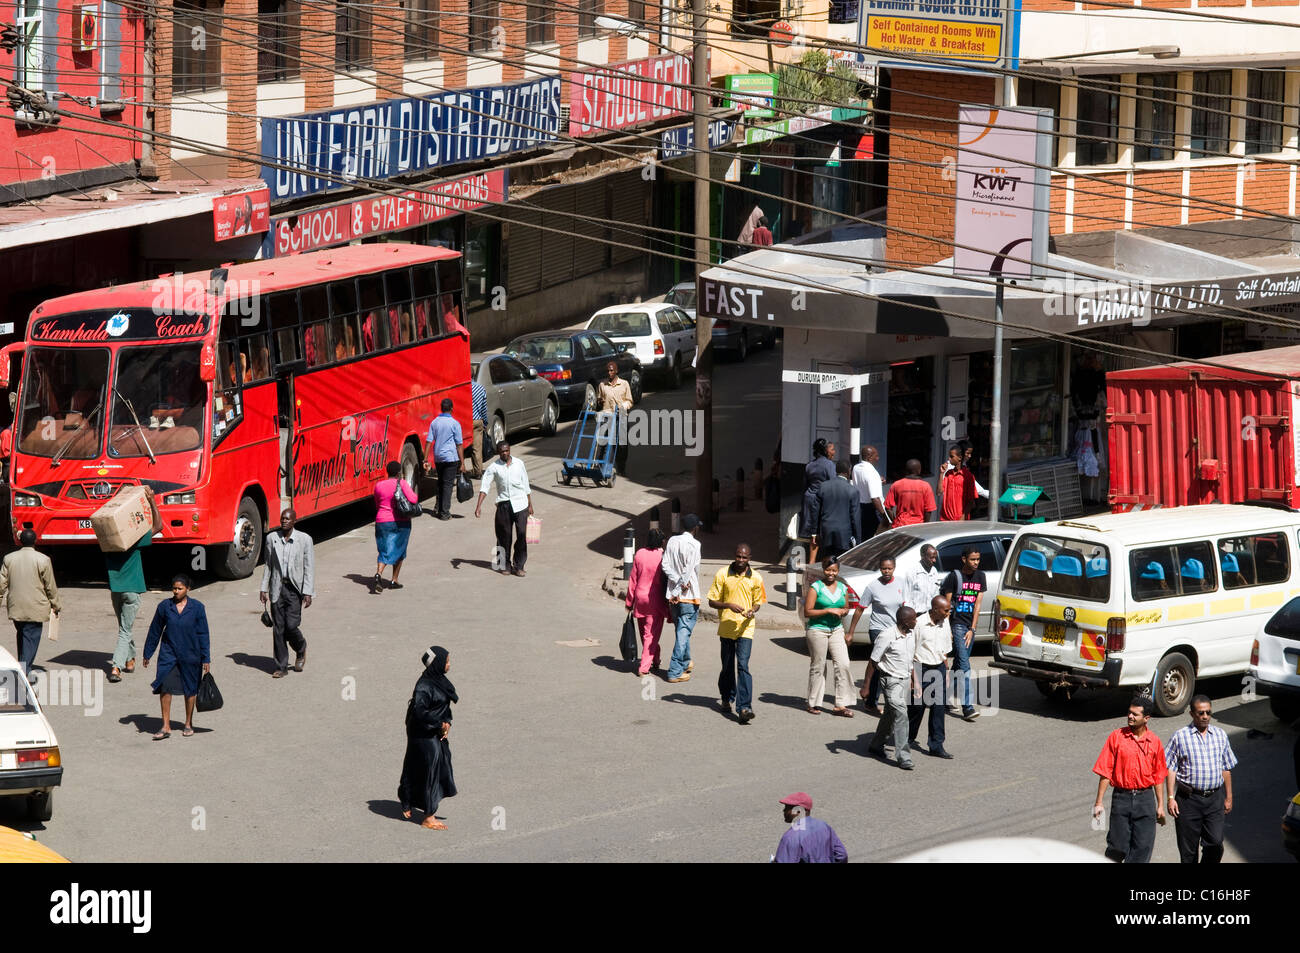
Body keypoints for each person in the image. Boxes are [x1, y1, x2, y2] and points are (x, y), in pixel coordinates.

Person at [1092, 696, 1168, 863]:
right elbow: (1105, 771)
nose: (1130, 716)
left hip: (1145, 800)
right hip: (1121, 798)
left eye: (1135, 714)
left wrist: (1161, 805)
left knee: (1142, 849)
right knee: (1117, 848)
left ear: (1146, 718)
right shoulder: (1116, 737)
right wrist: (1098, 803)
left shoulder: (1154, 742)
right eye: (1129, 712)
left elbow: (1158, 776)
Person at [1164, 695, 1237, 864]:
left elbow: (1226, 767)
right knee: (1188, 852)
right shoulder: (1180, 737)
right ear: (1192, 714)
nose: (1205, 716)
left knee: (1215, 844)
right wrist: (1170, 798)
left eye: (1208, 713)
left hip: (1214, 800)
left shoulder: (1220, 735)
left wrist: (1229, 797)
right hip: (1188, 800)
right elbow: (1170, 768)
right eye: (1200, 713)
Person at [142, 574, 211, 740]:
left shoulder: (197, 608)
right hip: (169, 654)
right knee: (165, 687)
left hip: (191, 654)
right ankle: (166, 726)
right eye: (174, 588)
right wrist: (148, 653)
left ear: (188, 589)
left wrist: (206, 657)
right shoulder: (164, 607)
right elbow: (155, 630)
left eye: (180, 588)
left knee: (190, 688)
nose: (176, 591)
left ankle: (188, 723)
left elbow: (203, 633)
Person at [105, 488, 163, 683]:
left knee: (123, 627)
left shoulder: (108, 543)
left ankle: (130, 660)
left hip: (116, 590)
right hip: (132, 590)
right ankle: (116, 667)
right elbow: (159, 526)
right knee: (125, 630)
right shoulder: (133, 540)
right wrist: (152, 501)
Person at [398, 646, 458, 830]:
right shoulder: (424, 686)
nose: (449, 664)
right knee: (431, 770)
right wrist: (438, 724)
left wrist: (446, 722)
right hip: (421, 732)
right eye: (446, 661)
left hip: (433, 731)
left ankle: (407, 798)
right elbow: (419, 711)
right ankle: (428, 817)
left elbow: (444, 708)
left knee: (426, 765)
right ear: (437, 663)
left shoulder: (439, 681)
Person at [707, 544, 766, 724]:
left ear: (750, 558)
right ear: (735, 556)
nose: (741, 560)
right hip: (726, 626)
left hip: (746, 628)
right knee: (727, 666)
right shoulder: (722, 574)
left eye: (745, 557)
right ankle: (726, 697)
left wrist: (752, 610)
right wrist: (728, 605)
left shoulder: (756, 577)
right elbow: (711, 601)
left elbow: (758, 602)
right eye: (739, 557)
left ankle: (744, 707)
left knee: (743, 665)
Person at [863, 606, 920, 771]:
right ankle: (904, 757)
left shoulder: (910, 635)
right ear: (905, 621)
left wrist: (914, 681)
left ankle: (876, 744)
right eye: (914, 619)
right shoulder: (887, 635)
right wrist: (866, 687)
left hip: (904, 680)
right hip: (890, 681)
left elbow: (910, 660)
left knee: (889, 714)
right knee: (901, 715)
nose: (916, 621)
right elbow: (873, 661)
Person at [259, 508, 314, 679]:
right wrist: (263, 588)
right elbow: (268, 565)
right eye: (282, 518)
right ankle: (281, 666)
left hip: (294, 589)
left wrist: (308, 591)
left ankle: (300, 647)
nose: (284, 521)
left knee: (291, 626)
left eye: (288, 519)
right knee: (278, 629)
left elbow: (308, 566)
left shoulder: (304, 540)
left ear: (294, 521)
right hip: (277, 588)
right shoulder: (272, 539)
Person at [0, 530, 60, 678]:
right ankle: (23, 673)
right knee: (31, 638)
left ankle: (21, 667)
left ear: (20, 541)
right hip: (36, 607)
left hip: (16, 606)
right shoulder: (43, 559)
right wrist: (55, 604)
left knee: (22, 635)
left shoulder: (9, 558)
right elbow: (50, 585)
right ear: (35, 541)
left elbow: (2, 584)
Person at [849, 556, 905, 714]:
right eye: (883, 568)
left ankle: (875, 699)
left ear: (894, 568)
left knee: (889, 665)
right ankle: (868, 691)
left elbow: (905, 606)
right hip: (878, 629)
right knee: (879, 661)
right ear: (880, 568)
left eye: (889, 568)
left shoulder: (901, 583)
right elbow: (860, 608)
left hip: (896, 629)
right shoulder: (873, 586)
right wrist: (851, 632)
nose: (886, 571)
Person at [940, 545, 987, 721]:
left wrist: (973, 629)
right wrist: (947, 629)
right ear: (964, 559)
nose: (976, 562)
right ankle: (968, 707)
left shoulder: (981, 576)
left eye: (978, 559)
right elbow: (946, 605)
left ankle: (943, 697)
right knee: (965, 665)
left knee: (959, 663)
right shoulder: (955, 577)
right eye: (973, 559)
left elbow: (978, 605)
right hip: (957, 625)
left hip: (969, 628)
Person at [475, 441, 534, 577]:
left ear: (510, 450)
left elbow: (526, 485)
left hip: (521, 504)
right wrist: (479, 506)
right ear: (498, 452)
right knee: (503, 536)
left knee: (521, 535)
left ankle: (519, 566)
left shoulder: (519, 464)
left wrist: (530, 504)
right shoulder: (493, 467)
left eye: (507, 451)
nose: (505, 453)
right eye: (502, 451)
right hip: (504, 505)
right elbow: (485, 487)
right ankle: (504, 565)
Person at [803, 557, 854, 717]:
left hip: (836, 629)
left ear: (838, 571)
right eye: (827, 570)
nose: (830, 573)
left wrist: (843, 611)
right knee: (818, 666)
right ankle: (813, 702)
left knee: (843, 664)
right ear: (823, 570)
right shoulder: (816, 587)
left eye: (834, 570)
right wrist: (828, 611)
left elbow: (846, 606)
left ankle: (841, 704)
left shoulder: (842, 587)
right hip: (817, 629)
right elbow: (807, 612)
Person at [908, 596, 954, 759]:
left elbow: (945, 647)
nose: (949, 613)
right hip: (920, 667)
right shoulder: (918, 624)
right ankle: (907, 737)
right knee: (917, 707)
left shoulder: (945, 621)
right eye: (946, 610)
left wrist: (947, 670)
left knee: (938, 708)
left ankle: (936, 745)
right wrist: (914, 679)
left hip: (939, 667)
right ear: (935, 610)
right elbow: (910, 652)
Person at [663, 514, 702, 683]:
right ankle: (675, 670)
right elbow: (690, 568)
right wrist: (681, 585)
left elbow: (665, 565)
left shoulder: (672, 541)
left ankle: (686, 661)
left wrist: (675, 584)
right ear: (695, 528)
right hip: (688, 595)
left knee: (681, 631)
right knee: (683, 633)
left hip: (672, 595)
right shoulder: (695, 544)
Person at [626, 529, 670, 677]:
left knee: (646, 634)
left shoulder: (639, 554)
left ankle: (655, 658)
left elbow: (633, 579)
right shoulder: (663, 555)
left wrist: (629, 602)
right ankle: (644, 667)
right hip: (655, 600)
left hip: (640, 598)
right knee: (650, 634)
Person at [373, 461, 419, 593]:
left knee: (384, 549)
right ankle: (394, 580)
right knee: (399, 549)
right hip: (401, 521)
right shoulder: (402, 483)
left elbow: (377, 502)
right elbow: (413, 499)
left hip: (382, 520)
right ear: (399, 472)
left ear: (387, 472)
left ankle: (378, 573)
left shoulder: (379, 485)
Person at [772, 792, 847, 863]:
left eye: (787, 808)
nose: (783, 810)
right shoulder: (824, 826)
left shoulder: (790, 837)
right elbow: (842, 855)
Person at [809, 460, 860, 562]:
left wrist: (814, 532)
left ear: (836, 471)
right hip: (844, 534)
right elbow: (855, 517)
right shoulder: (852, 490)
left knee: (826, 561)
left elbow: (815, 511)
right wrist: (858, 540)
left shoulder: (823, 486)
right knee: (841, 562)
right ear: (848, 472)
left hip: (826, 531)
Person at [424, 397, 463, 520]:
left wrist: (425, 459)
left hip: (438, 457)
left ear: (441, 409)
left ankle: (437, 508)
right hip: (451, 458)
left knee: (440, 482)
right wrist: (462, 462)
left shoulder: (434, 422)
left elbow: (429, 441)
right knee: (447, 485)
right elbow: (459, 444)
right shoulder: (455, 424)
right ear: (452, 409)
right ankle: (445, 513)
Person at [597, 361, 634, 477]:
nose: (609, 372)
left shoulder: (624, 384)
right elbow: (600, 399)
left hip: (621, 417)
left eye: (612, 370)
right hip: (607, 417)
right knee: (603, 442)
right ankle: (600, 466)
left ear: (616, 371)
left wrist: (623, 406)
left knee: (621, 444)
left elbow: (630, 401)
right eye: (608, 370)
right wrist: (599, 402)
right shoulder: (602, 385)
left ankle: (621, 468)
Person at [799, 438, 835, 546]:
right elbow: (833, 483)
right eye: (832, 449)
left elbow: (805, 485)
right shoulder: (829, 465)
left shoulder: (809, 465)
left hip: (809, 499)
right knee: (820, 531)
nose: (834, 452)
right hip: (821, 501)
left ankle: (812, 559)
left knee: (812, 534)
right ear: (825, 451)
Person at [884, 459, 936, 526]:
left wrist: (895, 521)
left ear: (906, 470)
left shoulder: (896, 485)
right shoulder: (926, 486)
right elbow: (928, 510)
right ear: (919, 470)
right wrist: (924, 526)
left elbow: (887, 507)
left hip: (901, 525)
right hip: (918, 526)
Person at [851, 445, 888, 541]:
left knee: (863, 537)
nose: (878, 458)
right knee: (874, 540)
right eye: (876, 456)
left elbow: (863, 482)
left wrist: (878, 481)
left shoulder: (856, 468)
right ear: (869, 457)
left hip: (860, 507)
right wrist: (884, 516)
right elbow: (875, 498)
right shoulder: (872, 472)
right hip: (872, 509)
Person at [938, 445, 977, 521]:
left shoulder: (968, 476)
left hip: (959, 520)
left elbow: (971, 502)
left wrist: (962, 518)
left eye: (951, 457)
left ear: (960, 458)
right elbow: (939, 492)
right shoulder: (948, 474)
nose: (949, 459)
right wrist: (941, 473)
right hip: (945, 519)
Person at [903, 544, 942, 613]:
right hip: (916, 615)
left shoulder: (934, 571)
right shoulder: (912, 572)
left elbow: (936, 594)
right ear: (923, 556)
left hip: (931, 614)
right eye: (931, 557)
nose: (934, 560)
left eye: (935, 557)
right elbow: (906, 598)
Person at [467, 376, 489, 479]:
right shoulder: (480, 388)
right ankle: (478, 471)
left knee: (461, 446)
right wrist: (485, 422)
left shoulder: (463, 388)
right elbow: (484, 407)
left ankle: (459, 470)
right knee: (477, 448)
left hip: (465, 421)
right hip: (477, 421)